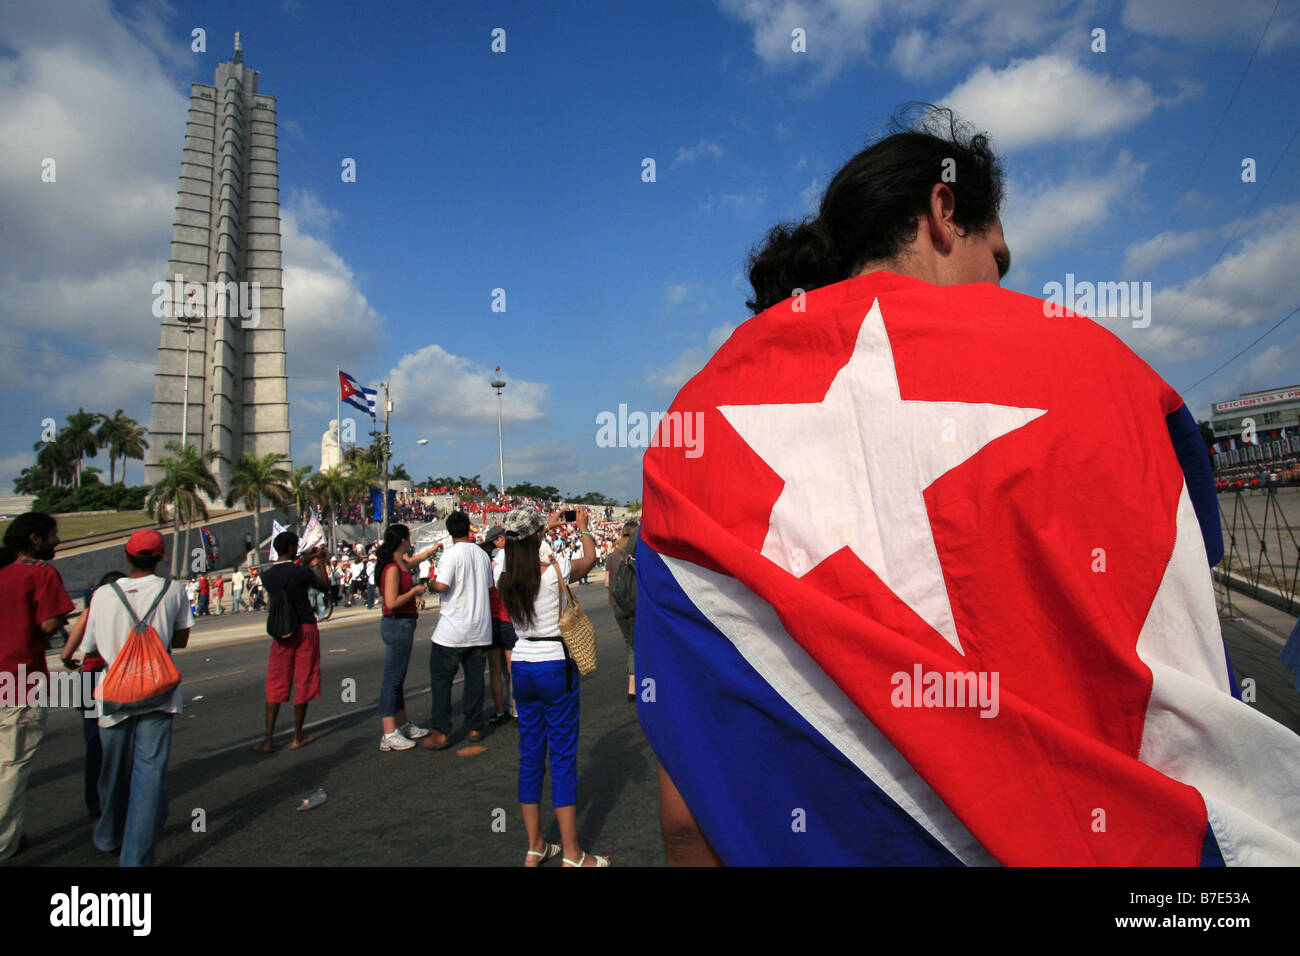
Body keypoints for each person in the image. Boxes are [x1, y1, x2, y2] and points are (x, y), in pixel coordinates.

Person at [498, 505, 607, 866]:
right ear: (538, 537)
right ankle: (573, 855)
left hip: (522, 662)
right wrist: (584, 528)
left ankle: (535, 845)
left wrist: (546, 527)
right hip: (553, 663)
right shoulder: (552, 572)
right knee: (561, 759)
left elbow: (521, 548)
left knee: (530, 756)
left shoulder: (503, 572)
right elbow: (589, 559)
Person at [81, 529, 191, 867]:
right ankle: (135, 858)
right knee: (149, 774)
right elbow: (182, 639)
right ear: (160, 559)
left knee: (112, 772)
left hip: (114, 694)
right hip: (159, 693)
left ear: (127, 557)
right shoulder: (173, 591)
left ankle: (109, 834)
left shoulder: (102, 595)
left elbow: (90, 647)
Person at [0, 513, 73, 861]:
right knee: (12, 764)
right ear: (35, 539)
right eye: (53, 535)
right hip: (19, 678)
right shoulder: (39, 572)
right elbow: (47, 625)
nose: (57, 541)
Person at [422, 511, 493, 749]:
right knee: (474, 681)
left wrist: (430, 584)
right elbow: (489, 586)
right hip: (480, 628)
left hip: (453, 630)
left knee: (442, 681)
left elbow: (442, 585)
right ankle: (474, 726)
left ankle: (441, 731)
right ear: (469, 529)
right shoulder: (482, 555)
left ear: (450, 532)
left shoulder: (451, 555)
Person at [254, 531, 329, 753]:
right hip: (304, 626)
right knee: (304, 679)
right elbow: (324, 586)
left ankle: (268, 739)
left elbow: (287, 574)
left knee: (276, 681)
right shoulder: (301, 572)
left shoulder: (266, 576)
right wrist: (322, 561)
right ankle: (297, 735)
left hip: (281, 630)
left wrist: (303, 562)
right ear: (291, 548)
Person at [59, 570, 126, 817]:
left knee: (93, 742)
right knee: (120, 737)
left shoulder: (91, 612)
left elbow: (68, 652)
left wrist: (68, 662)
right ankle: (117, 794)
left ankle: (94, 801)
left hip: (90, 676)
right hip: (117, 676)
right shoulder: (127, 611)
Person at [374, 525, 439, 751]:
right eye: (408, 537)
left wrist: (432, 550)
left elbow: (414, 560)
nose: (410, 541)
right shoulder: (392, 568)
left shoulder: (400, 562)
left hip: (404, 623)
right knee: (392, 679)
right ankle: (388, 731)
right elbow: (391, 602)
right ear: (403, 540)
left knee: (398, 677)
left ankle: (401, 723)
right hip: (396, 623)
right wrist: (414, 592)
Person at [481, 525, 517, 723]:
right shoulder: (509, 559)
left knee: (495, 670)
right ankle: (515, 708)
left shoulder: (488, 565)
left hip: (491, 620)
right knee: (512, 670)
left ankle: (499, 711)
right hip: (507, 618)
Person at [604, 519, 640, 702]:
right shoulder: (636, 553)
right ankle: (634, 687)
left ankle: (632, 684)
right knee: (637, 646)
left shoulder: (612, 556)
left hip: (616, 604)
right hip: (634, 604)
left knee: (629, 644)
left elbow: (607, 583)